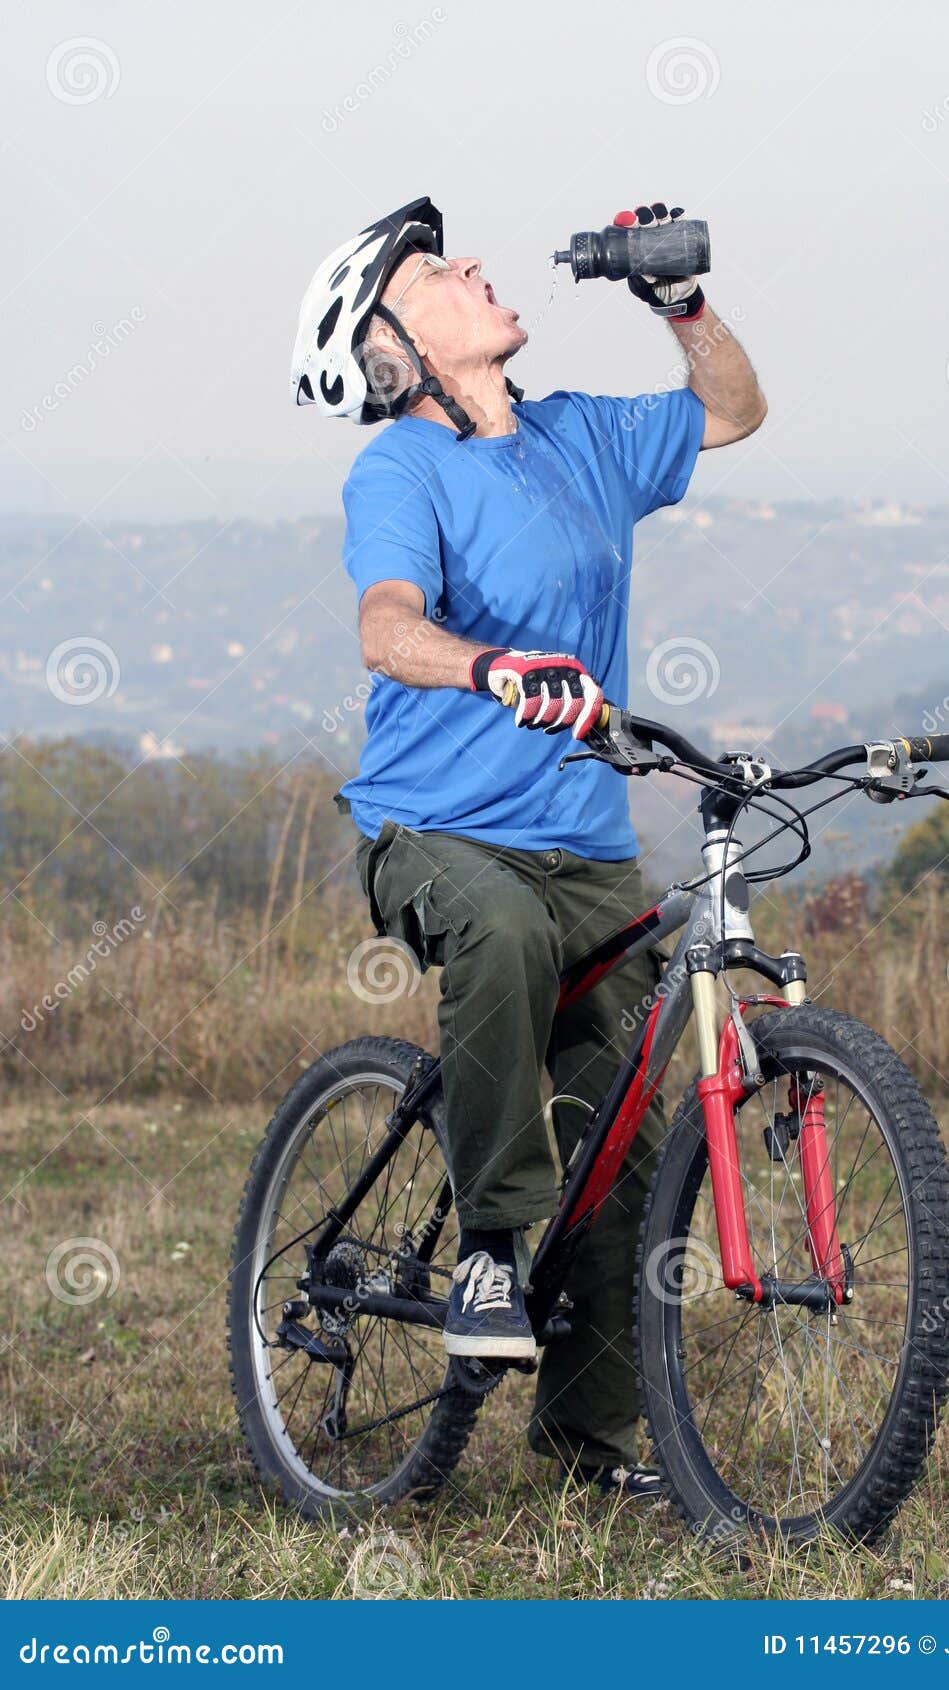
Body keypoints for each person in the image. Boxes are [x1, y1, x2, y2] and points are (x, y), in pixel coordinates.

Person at [291, 196, 766, 1497]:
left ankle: (587, 1439)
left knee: (617, 1126)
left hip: (586, 851)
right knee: (495, 929)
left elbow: (731, 411)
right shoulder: (401, 467)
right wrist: (488, 667)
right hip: (433, 831)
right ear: (395, 343)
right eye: (440, 270)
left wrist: (682, 306)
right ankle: (491, 1243)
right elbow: (387, 624)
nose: (475, 266)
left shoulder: (581, 437)